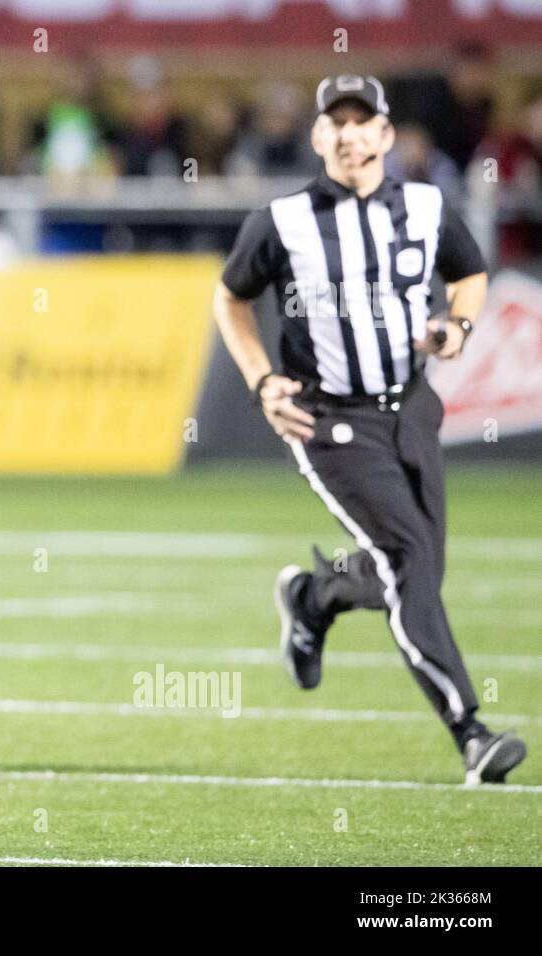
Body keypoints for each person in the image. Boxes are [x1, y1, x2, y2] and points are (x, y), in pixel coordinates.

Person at [212, 74, 526, 785]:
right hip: (327, 417)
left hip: (411, 407)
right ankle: (470, 732)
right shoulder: (284, 220)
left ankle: (312, 598)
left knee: (415, 570)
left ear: (387, 135)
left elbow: (470, 272)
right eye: (336, 123)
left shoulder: (424, 206)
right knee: (410, 558)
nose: (350, 135)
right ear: (318, 136)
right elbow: (231, 297)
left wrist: (458, 326)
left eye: (363, 122)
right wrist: (263, 379)